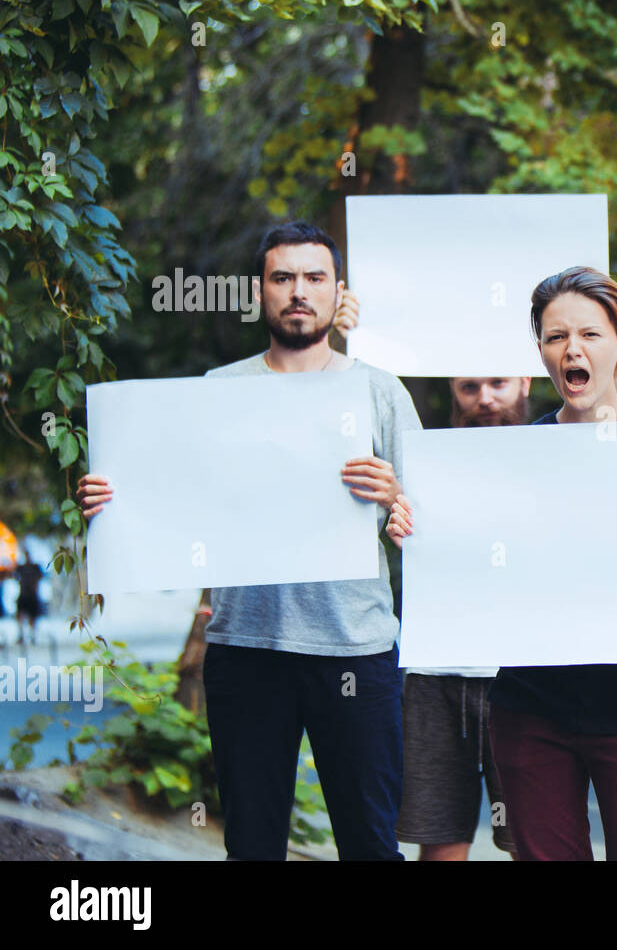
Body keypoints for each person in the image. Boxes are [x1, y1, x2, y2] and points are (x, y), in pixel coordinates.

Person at [386, 266, 617, 861]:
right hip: (533, 717)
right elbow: (472, 564)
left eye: (588, 334)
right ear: (541, 353)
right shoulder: (511, 460)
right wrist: (421, 536)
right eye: (555, 338)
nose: (571, 350)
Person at [78, 221, 420, 860]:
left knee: (371, 845)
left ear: (336, 291)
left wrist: (395, 498)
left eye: (314, 278)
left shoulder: (379, 392)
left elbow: (426, 523)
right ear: (260, 292)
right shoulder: (218, 391)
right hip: (245, 650)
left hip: (355, 648)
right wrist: (108, 503)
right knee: (252, 847)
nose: (299, 292)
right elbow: (170, 500)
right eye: (282, 278)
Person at [406, 376, 531, 860]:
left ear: (524, 381)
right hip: (437, 675)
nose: (484, 398)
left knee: (533, 843)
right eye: (468, 387)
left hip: (530, 678)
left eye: (498, 383)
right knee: (439, 842)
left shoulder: (559, 453)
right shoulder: (424, 463)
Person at [14, 548, 44, 644]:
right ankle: (21, 635)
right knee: (20, 615)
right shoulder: (21, 568)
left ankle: (32, 635)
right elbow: (15, 576)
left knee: (32, 617)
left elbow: (40, 577)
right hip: (23, 594)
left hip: (32, 595)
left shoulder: (35, 567)